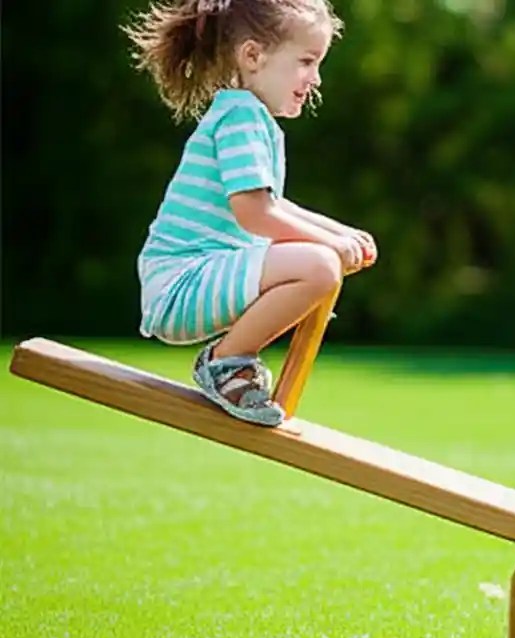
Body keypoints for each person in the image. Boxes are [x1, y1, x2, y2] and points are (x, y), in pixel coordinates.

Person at [123, 0, 376, 427]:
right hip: (181, 283)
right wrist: (331, 244)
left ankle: (231, 361)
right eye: (306, 62)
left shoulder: (252, 119)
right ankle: (225, 364)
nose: (315, 79)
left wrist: (339, 230)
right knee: (319, 267)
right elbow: (255, 215)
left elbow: (272, 205)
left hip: (198, 276)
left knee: (321, 262)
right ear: (254, 56)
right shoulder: (240, 115)